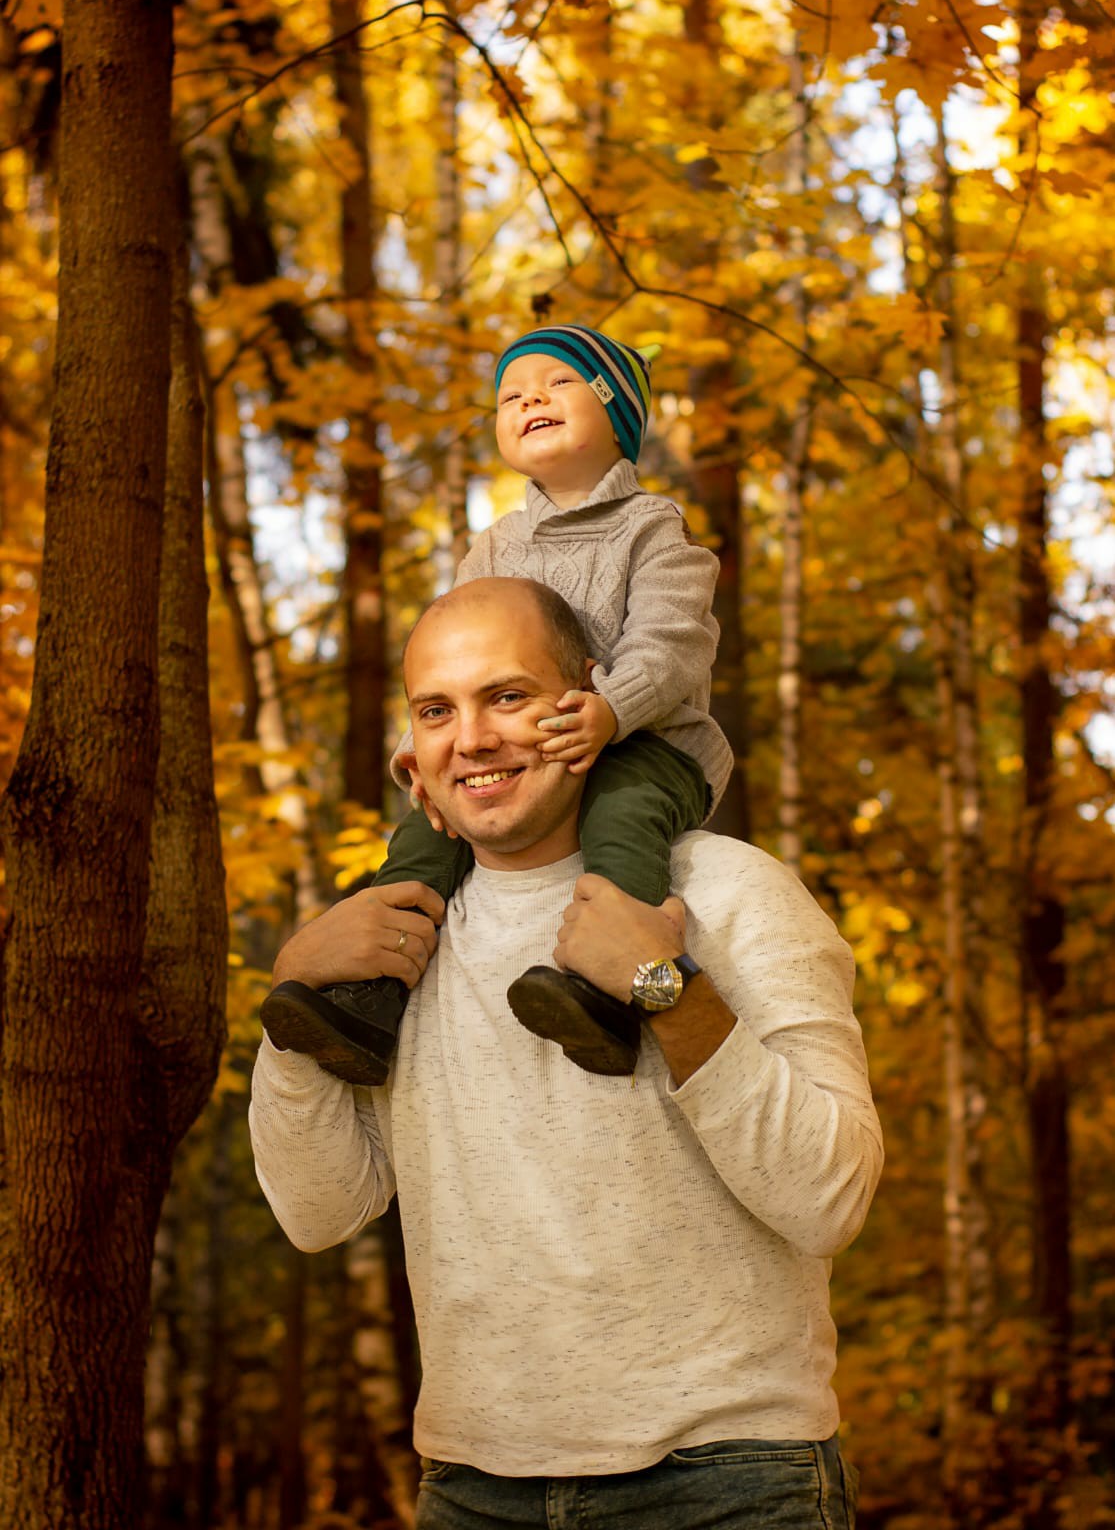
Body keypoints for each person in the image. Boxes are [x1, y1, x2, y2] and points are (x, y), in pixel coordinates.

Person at [250, 577, 883, 1530]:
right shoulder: (392, 939)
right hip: (472, 1485)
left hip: (730, 1481)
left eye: (507, 696)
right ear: (412, 747)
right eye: (436, 710)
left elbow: (830, 1198)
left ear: (589, 696)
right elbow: (317, 1213)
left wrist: (664, 988)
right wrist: (292, 998)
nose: (472, 739)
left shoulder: (731, 893)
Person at [260, 324, 734, 1085]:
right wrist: (421, 753)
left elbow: (674, 642)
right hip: (522, 745)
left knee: (621, 816)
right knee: (424, 839)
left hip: (647, 743)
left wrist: (613, 708)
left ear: (617, 413)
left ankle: (606, 993)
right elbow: (447, 658)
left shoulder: (653, 530)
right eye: (511, 395)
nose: (530, 400)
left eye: (558, 383)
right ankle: (370, 997)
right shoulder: (494, 546)